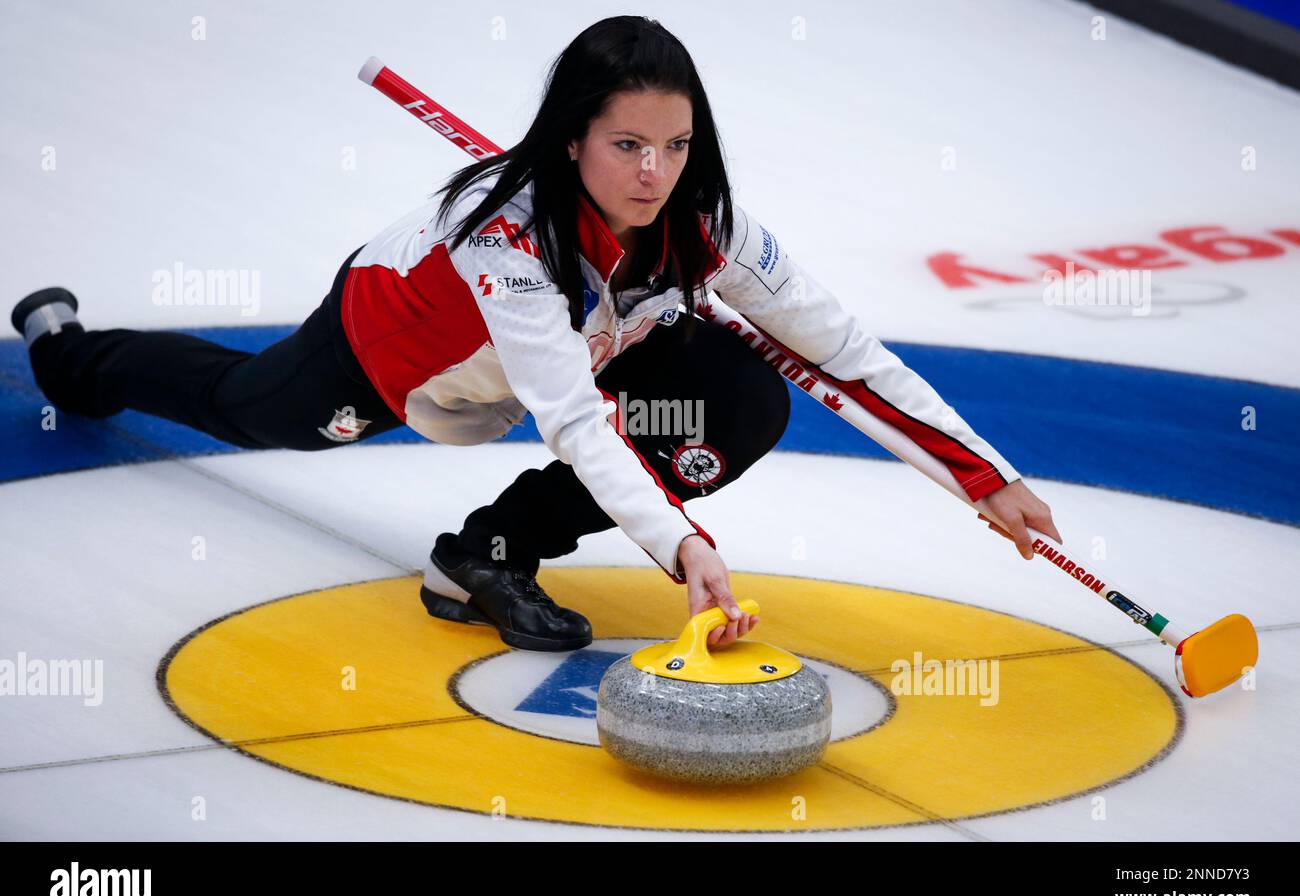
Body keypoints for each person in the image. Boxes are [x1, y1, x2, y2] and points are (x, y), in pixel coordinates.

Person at [10, 15, 1059, 655]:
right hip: (404, 354)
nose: (655, 172)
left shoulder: (703, 221)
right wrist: (684, 547)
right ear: (572, 139)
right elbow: (574, 421)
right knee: (247, 410)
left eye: (676, 145)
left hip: (595, 343)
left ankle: (485, 557)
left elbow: (845, 350)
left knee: (738, 395)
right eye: (628, 145)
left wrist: (984, 477)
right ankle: (70, 350)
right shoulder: (504, 240)